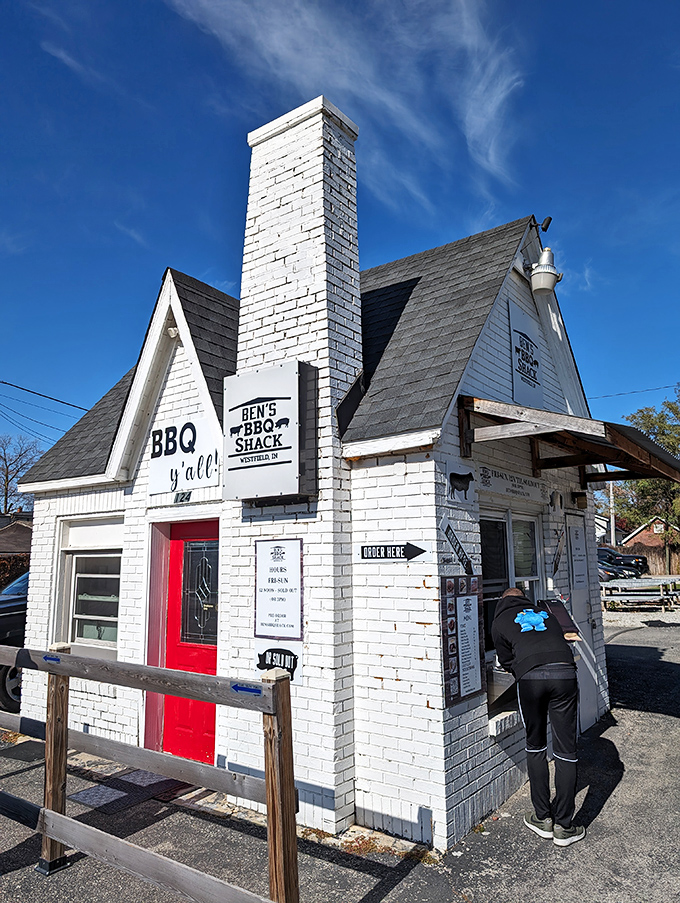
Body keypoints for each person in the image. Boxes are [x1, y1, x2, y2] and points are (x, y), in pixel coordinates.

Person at [491, 586, 586, 847]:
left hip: (531, 678)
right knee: (566, 751)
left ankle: (543, 818)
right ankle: (564, 827)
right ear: (524, 599)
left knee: (536, 746)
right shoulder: (546, 613)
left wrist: (523, 667)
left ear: (502, 601)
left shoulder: (499, 621)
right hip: (564, 674)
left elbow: (506, 661)